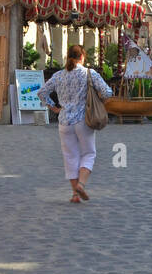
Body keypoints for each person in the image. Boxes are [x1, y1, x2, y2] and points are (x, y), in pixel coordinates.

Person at [38, 45, 114, 204]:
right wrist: (97, 101)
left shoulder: (58, 75)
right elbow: (107, 92)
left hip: (64, 120)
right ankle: (81, 185)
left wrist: (54, 107)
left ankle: (75, 194)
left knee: (70, 156)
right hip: (83, 119)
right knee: (88, 153)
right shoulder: (89, 73)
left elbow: (42, 92)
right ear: (82, 57)